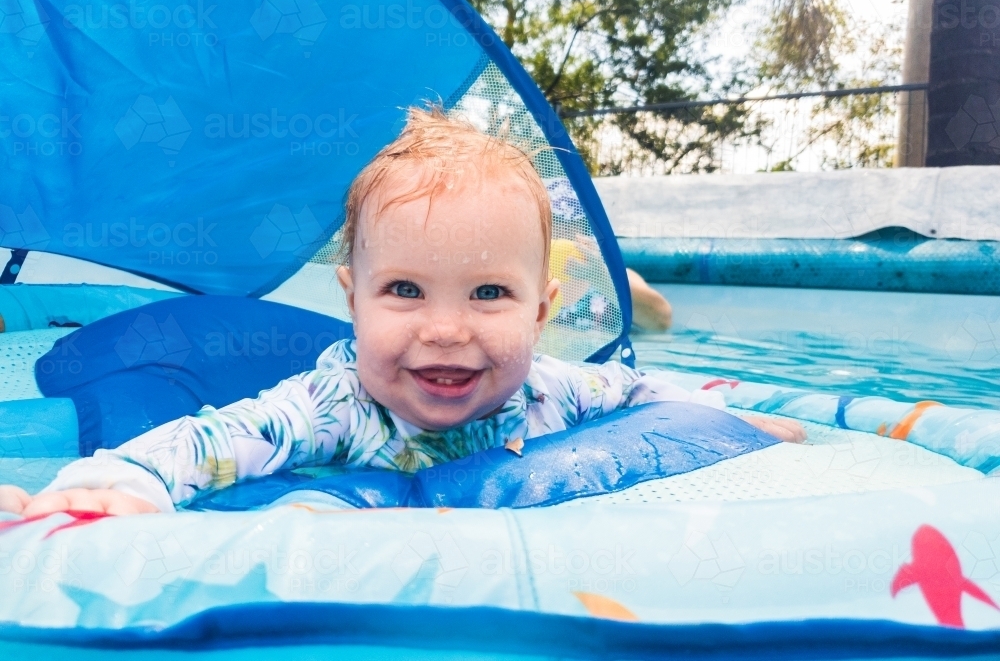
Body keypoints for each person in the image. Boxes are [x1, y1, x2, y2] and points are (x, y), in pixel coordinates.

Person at [0, 108, 804, 517]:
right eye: (406, 291)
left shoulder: (551, 387)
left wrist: (722, 423)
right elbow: (219, 437)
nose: (446, 329)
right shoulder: (335, 406)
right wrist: (123, 480)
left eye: (489, 293)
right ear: (352, 301)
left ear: (541, 310)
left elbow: (632, 393)